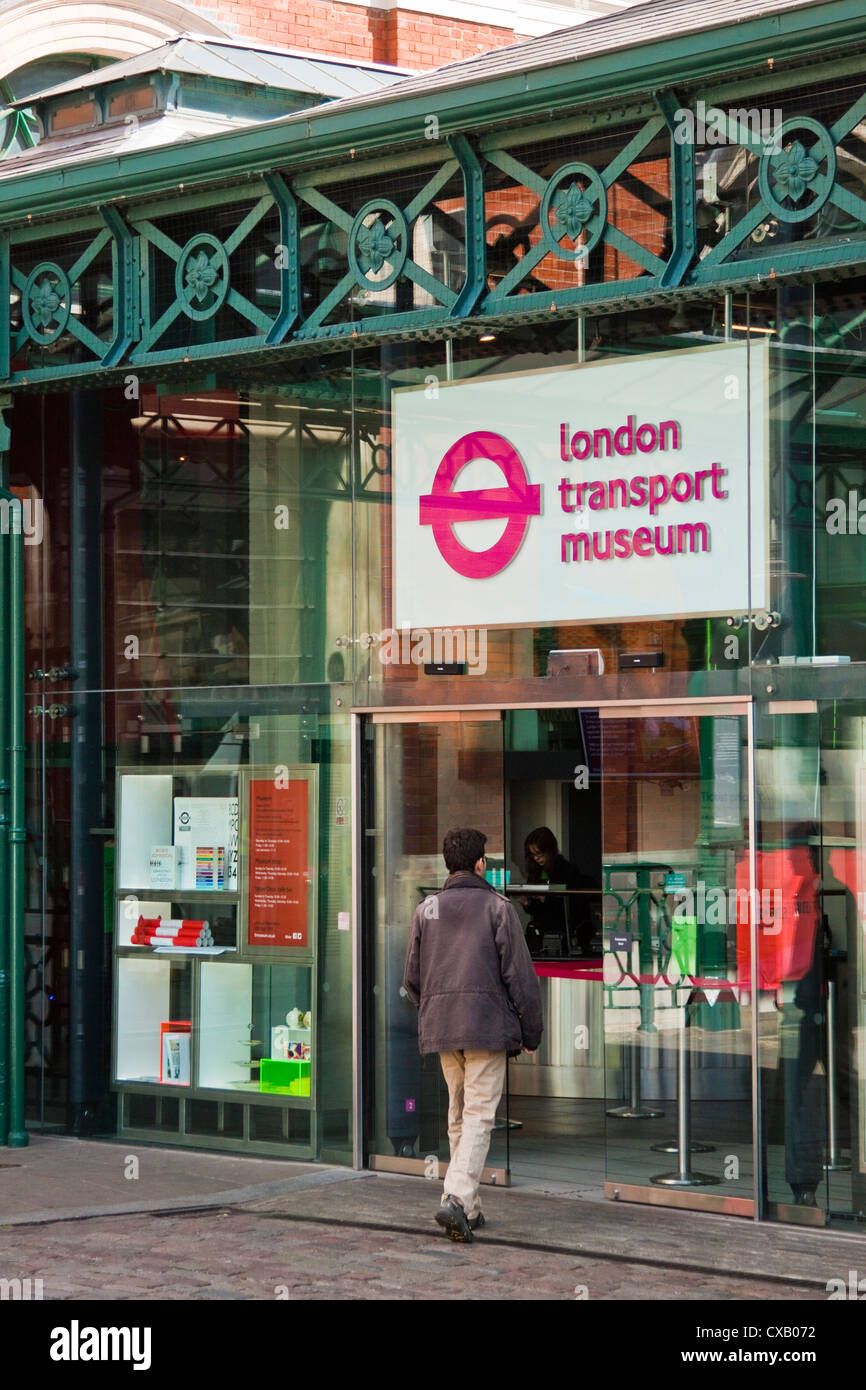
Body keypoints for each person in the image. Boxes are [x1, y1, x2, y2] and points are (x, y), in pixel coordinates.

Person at [403, 826, 543, 1243]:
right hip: (486, 1027)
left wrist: (436, 1008)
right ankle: (458, 1197)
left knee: (459, 1112)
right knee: (479, 1115)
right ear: (480, 863)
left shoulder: (426, 910)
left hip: (445, 1029)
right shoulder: (498, 909)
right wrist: (531, 1033)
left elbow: (412, 979)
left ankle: (469, 1206)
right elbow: (521, 979)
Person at [522, 826, 595, 957]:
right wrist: (528, 903)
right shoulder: (535, 872)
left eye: (540, 854)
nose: (537, 858)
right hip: (542, 931)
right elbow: (536, 910)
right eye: (533, 855)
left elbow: (574, 906)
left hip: (564, 931)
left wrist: (547, 899)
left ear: (550, 851)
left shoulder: (567, 870)